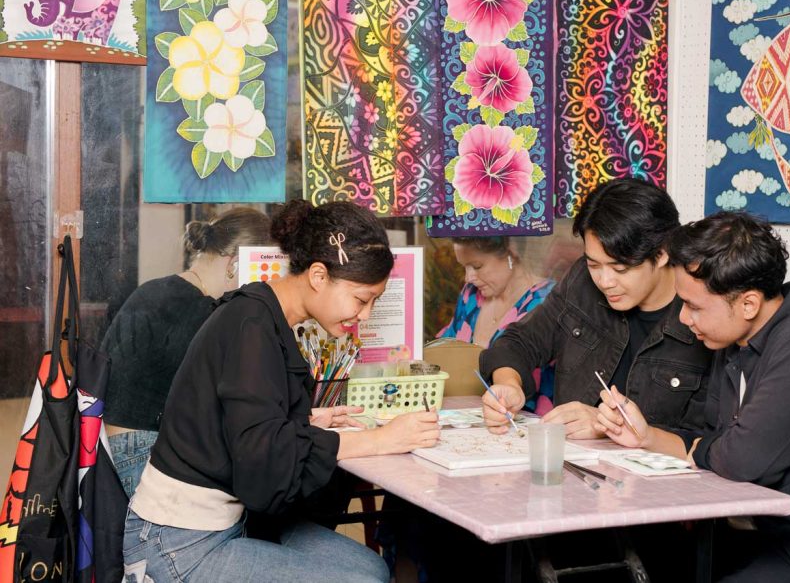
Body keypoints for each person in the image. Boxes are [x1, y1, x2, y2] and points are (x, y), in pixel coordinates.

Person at [122, 200, 440, 583]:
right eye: (361, 299)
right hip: (178, 543)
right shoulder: (250, 326)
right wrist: (380, 439)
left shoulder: (267, 316)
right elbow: (264, 465)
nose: (366, 315)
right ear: (319, 276)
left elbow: (242, 422)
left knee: (369, 567)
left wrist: (304, 421)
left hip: (224, 523)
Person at [596, 211, 790, 582]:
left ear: (748, 303)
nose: (684, 319)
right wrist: (647, 437)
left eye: (694, 307)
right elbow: (711, 439)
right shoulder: (734, 342)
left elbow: (739, 459)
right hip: (746, 544)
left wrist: (707, 447)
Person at [479, 177, 713, 439]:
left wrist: (607, 428)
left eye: (620, 268)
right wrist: (509, 385)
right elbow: (519, 341)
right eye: (594, 264)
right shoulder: (582, 281)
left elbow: (705, 443)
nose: (605, 281)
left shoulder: (703, 314)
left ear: (661, 254)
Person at [104, 207, 272, 497]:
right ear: (235, 263)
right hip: (143, 453)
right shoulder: (204, 311)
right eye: (265, 269)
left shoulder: (159, 290)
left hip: (112, 447)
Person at [439, 236, 555, 412]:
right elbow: (445, 355)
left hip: (529, 426)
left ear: (512, 249)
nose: (468, 278)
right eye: (464, 267)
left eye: (477, 266)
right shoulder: (470, 296)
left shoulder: (548, 302)